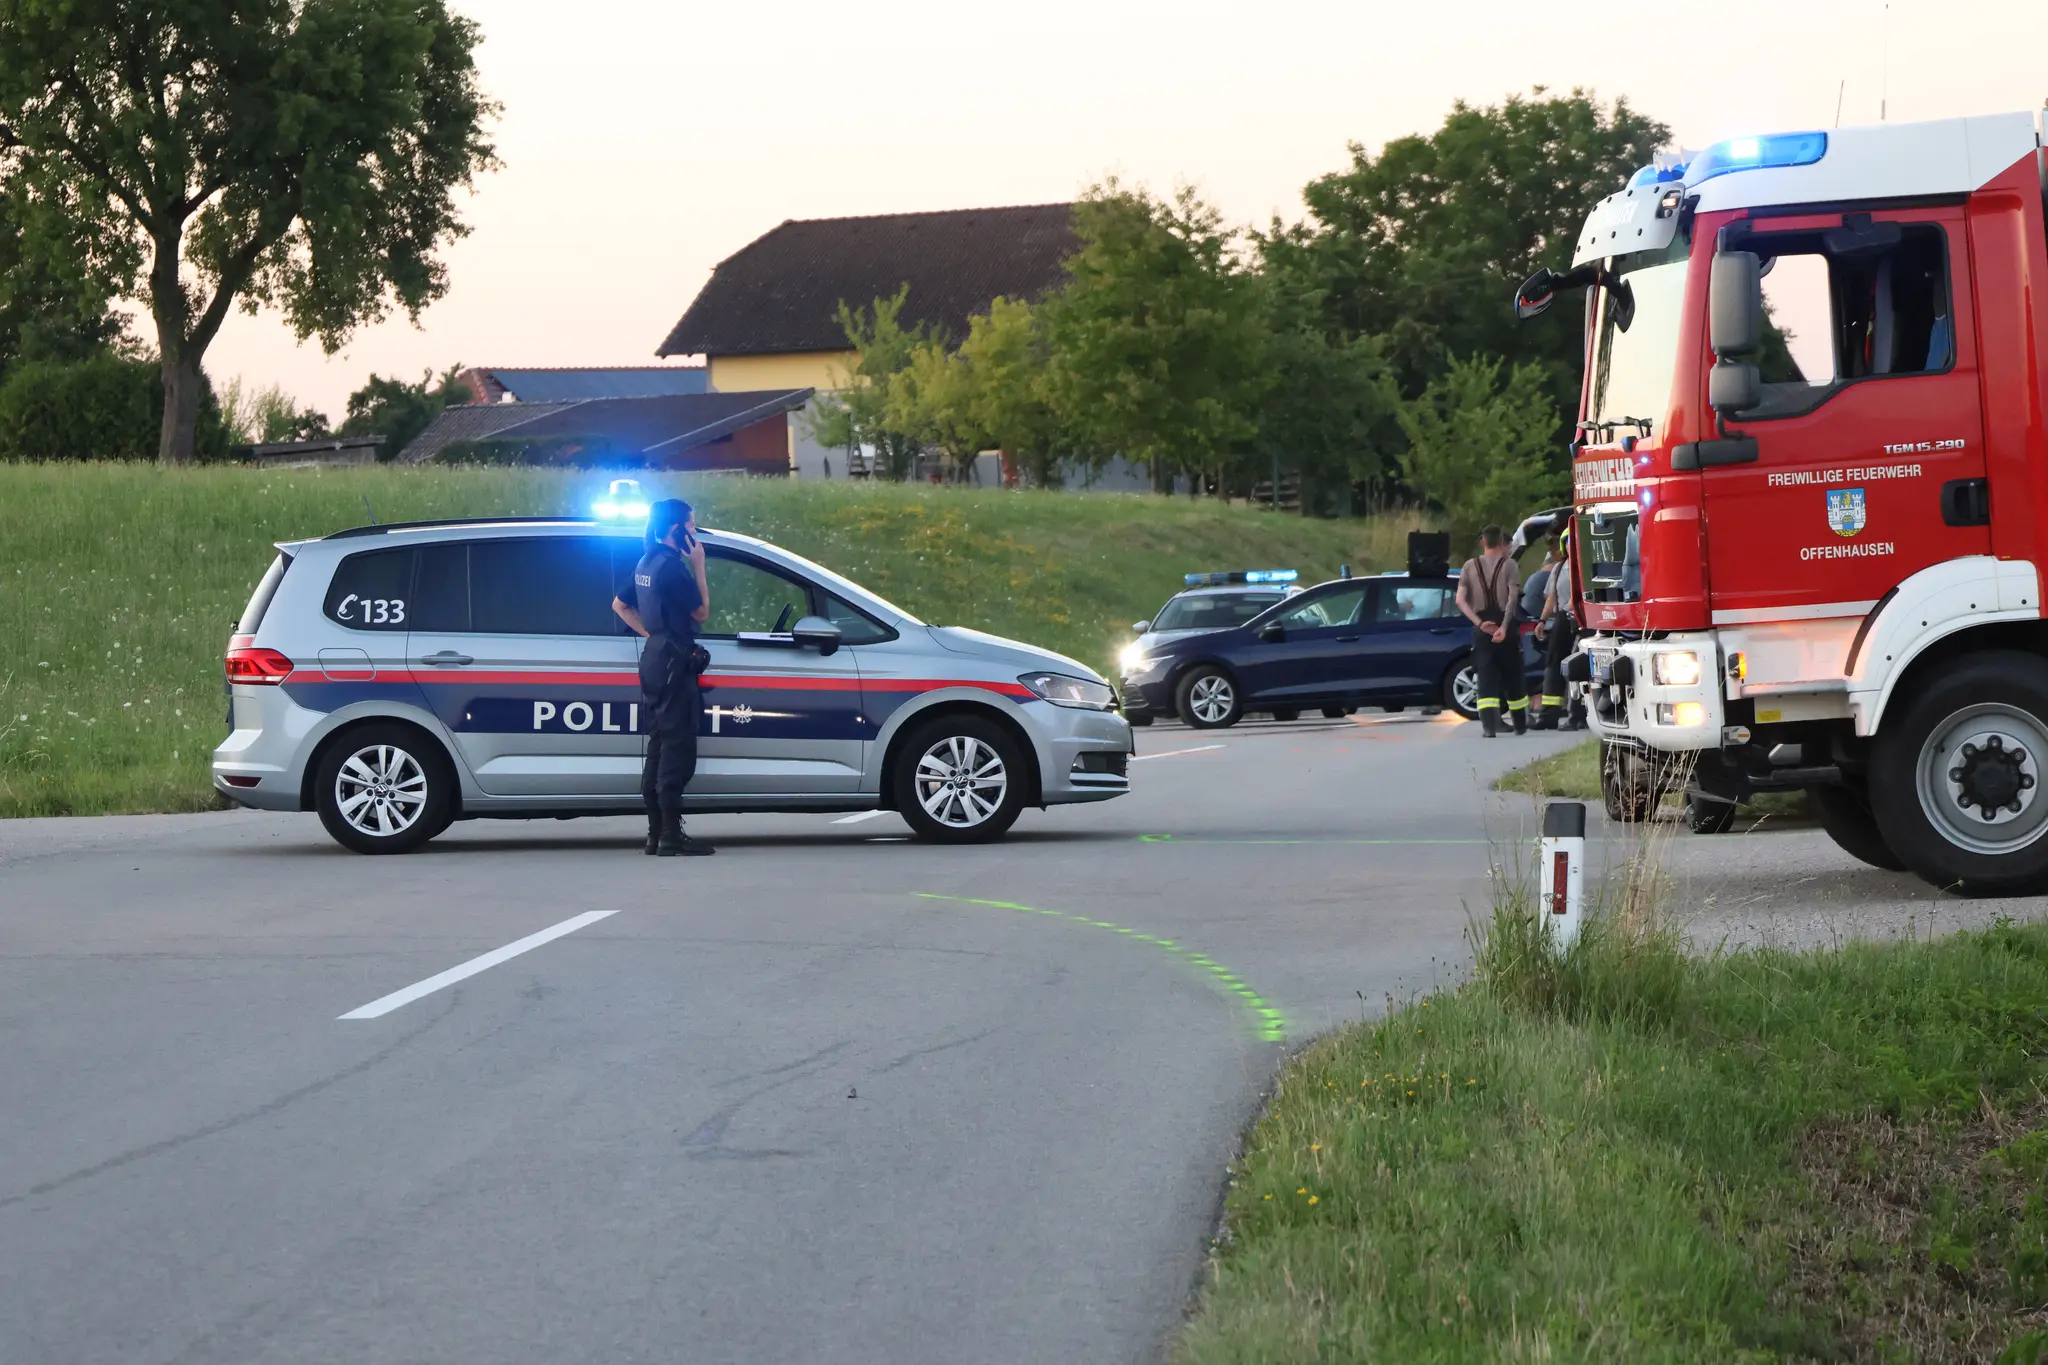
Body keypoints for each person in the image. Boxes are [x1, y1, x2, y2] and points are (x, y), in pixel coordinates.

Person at [611, 499, 714, 856]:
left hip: (655, 659)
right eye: (691, 527)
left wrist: (654, 635)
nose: (694, 534)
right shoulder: (673, 567)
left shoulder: (646, 561)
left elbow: (620, 605)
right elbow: (701, 612)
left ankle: (656, 833)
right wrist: (699, 566)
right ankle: (670, 834)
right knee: (677, 746)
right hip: (673, 665)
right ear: (675, 530)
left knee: (658, 743)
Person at [1455, 524, 1527, 738]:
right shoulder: (1510, 565)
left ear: (1483, 541)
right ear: (1501, 541)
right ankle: (1520, 725)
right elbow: (1512, 600)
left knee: (1486, 679)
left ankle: (1489, 728)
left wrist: (1479, 623)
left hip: (1482, 629)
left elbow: (1460, 600)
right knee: (1513, 676)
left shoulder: (1469, 566)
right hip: (1506, 628)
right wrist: (1504, 628)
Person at [1534, 529, 1586, 731]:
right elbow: (1551, 598)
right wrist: (1541, 620)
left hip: (1581, 621)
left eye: (1576, 540)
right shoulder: (1558, 568)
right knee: (1553, 665)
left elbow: (1579, 596)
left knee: (1576, 666)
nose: (1572, 545)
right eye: (1569, 541)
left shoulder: (1584, 567)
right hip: (1563, 620)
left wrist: (1567, 612)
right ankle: (1549, 715)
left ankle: (1577, 715)